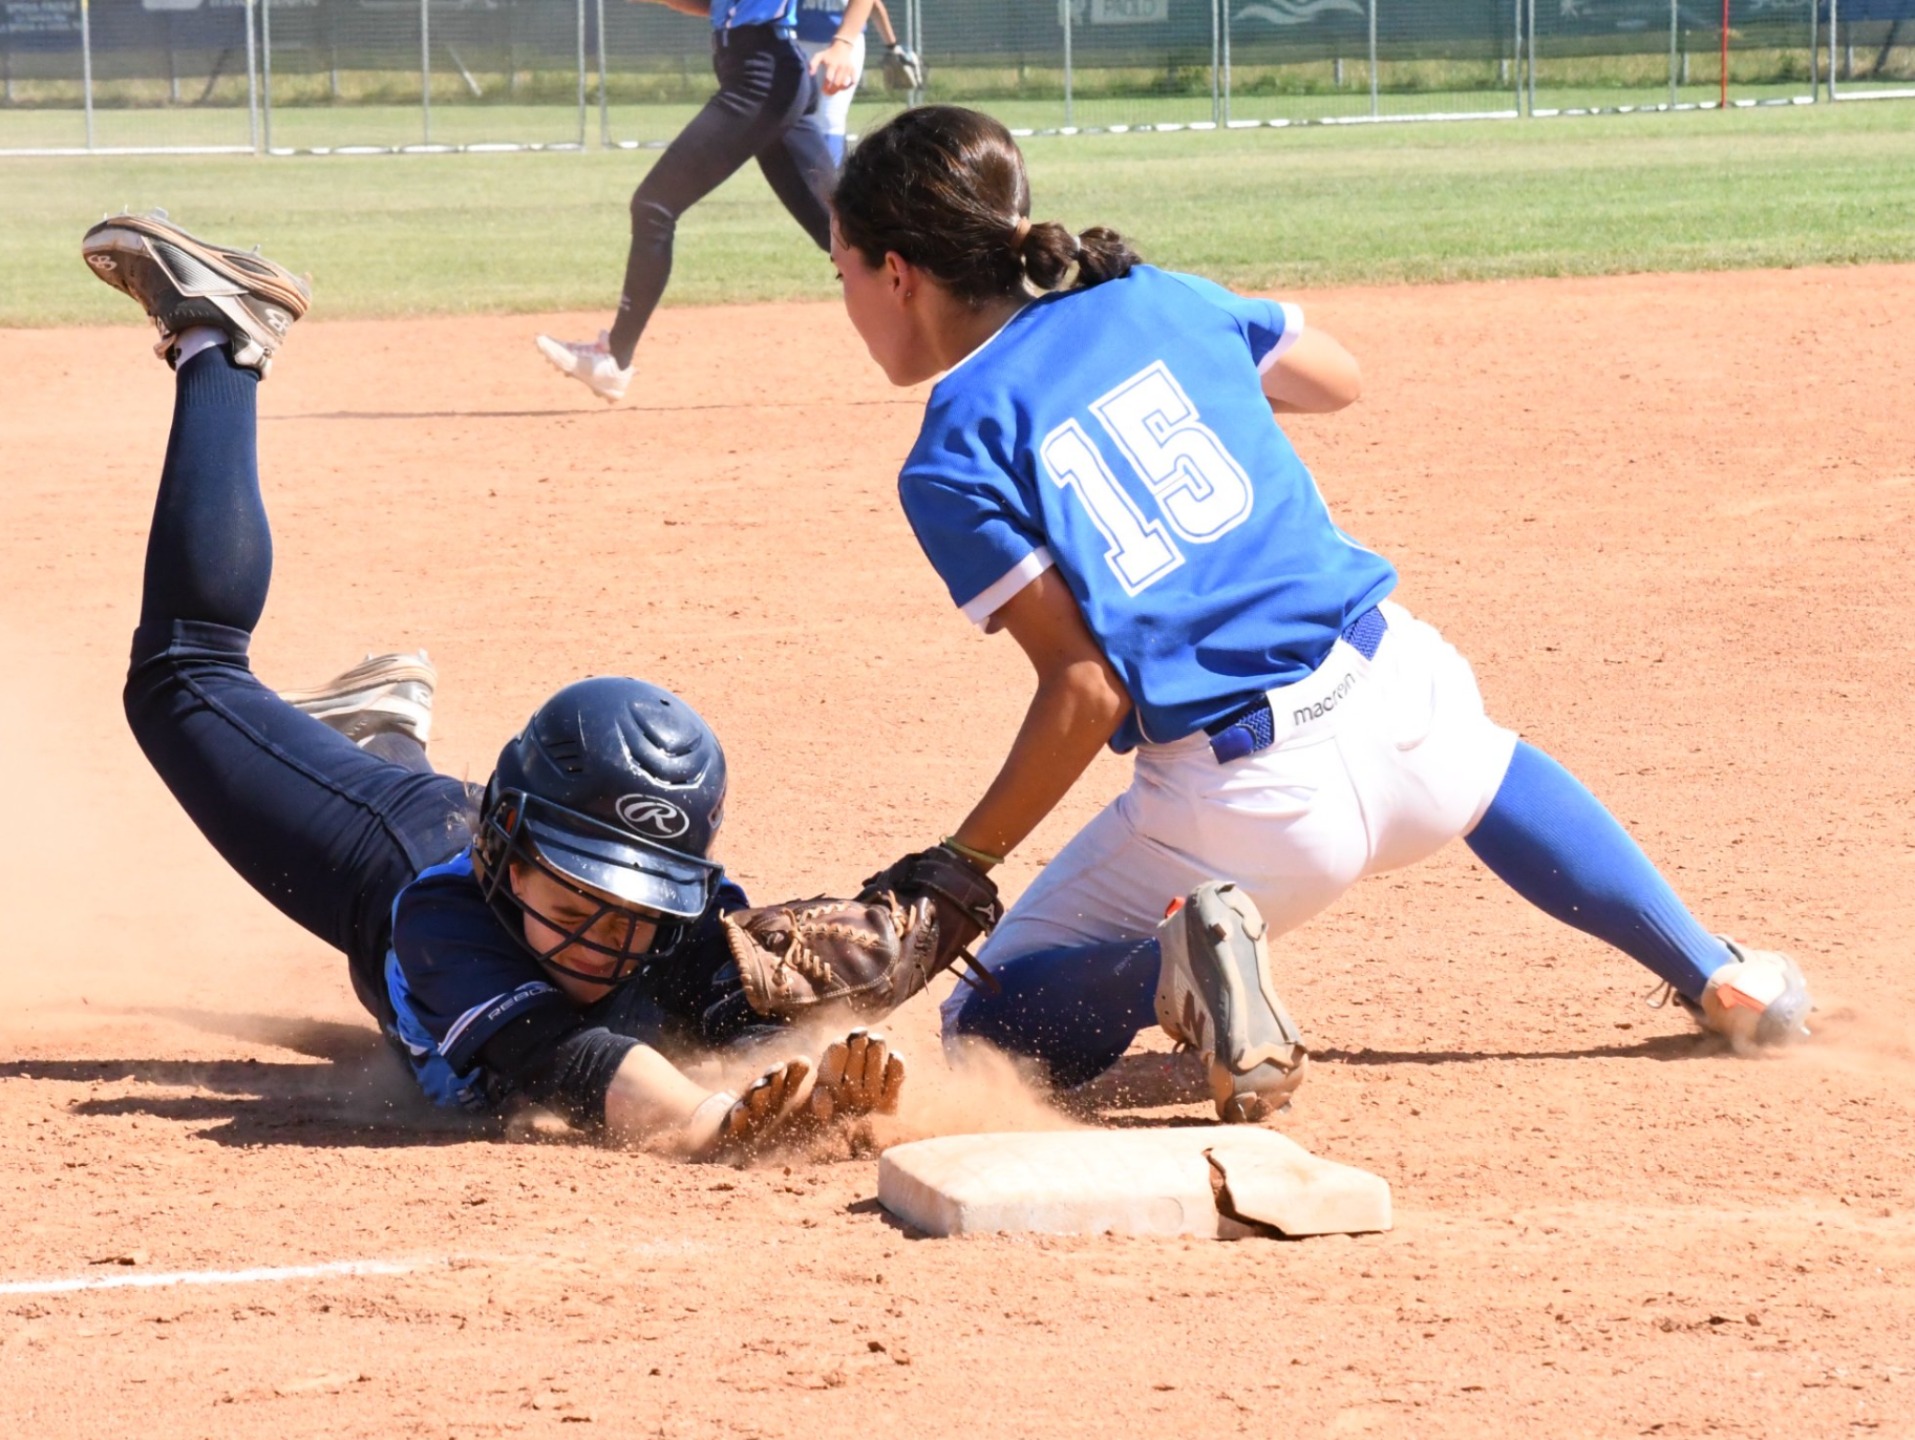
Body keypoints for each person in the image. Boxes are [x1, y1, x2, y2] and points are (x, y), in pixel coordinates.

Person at [825, 106, 1814, 1119]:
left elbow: (1086, 687)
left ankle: (1174, 970)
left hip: (1250, 815)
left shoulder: (952, 446)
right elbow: (1336, 380)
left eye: (843, 273)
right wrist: (1200, 348)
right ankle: (1715, 970)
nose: (848, 297)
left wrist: (964, 861)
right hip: (1403, 699)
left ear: (897, 272)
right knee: (1479, 758)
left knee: (985, 1030)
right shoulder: (1155, 298)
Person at [82, 211, 904, 1160]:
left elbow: (781, 1035)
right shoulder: (446, 918)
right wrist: (714, 1118)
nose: (602, 940)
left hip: (536, 827)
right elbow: (581, 1064)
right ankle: (220, 337)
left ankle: (380, 726)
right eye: (575, 904)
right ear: (501, 855)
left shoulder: (675, 926)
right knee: (184, 673)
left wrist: (833, 1049)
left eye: (635, 914)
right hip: (389, 844)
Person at [535, 0, 877, 404]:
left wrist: (843, 41)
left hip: (763, 75)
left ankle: (614, 359)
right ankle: (962, 309)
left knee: (653, 206)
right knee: (844, 233)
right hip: (763, 71)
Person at [795, 0, 921, 167]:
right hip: (800, 41)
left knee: (830, 116)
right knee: (802, 116)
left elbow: (872, 5)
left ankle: (830, 183)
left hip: (846, 45)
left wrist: (893, 46)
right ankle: (822, 174)